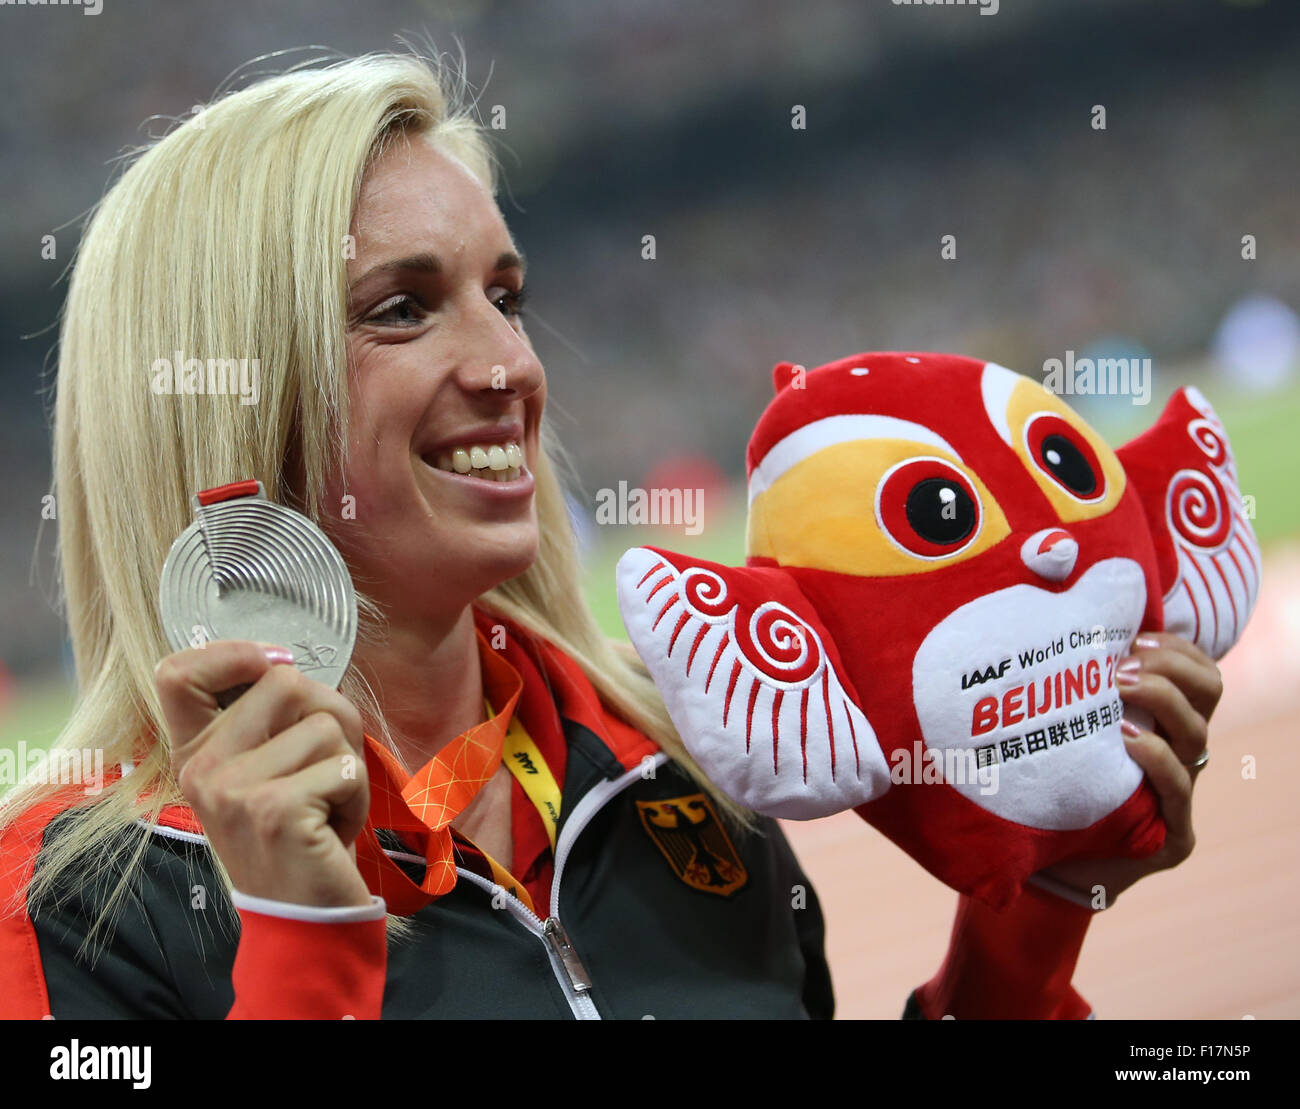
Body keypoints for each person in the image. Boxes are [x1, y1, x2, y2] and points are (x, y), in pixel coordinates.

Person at [0, 50, 1223, 1020]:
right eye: (402, 308)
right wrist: (305, 958)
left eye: (507, 295)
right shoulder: (67, 905)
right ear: (232, 391)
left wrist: (1043, 900)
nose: (508, 364)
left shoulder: (674, 760)